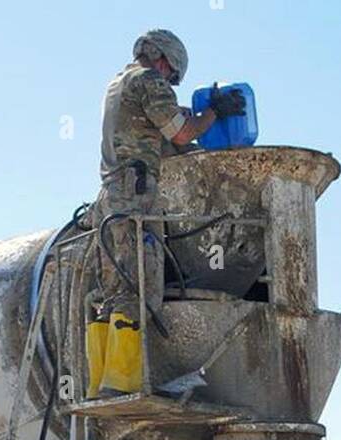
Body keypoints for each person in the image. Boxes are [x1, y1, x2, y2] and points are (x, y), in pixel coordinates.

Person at [88, 29, 246, 396]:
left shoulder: (117, 85)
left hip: (111, 198)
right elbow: (180, 133)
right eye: (171, 75)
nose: (169, 82)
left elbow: (162, 145)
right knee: (141, 286)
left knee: (111, 291)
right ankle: (125, 384)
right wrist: (213, 114)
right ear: (161, 59)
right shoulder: (147, 81)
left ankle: (102, 383)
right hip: (137, 198)